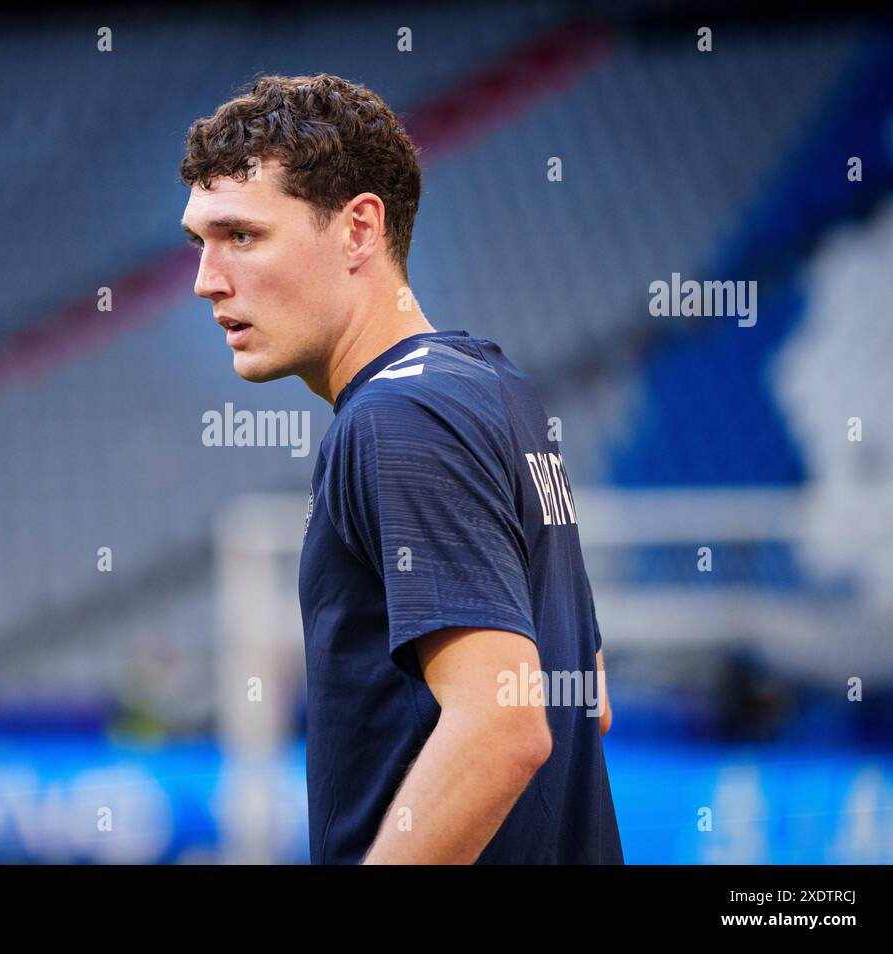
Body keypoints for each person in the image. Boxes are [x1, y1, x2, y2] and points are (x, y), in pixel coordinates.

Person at [180, 73, 623, 864]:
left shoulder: (396, 420)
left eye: (241, 236)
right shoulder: (493, 384)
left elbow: (503, 724)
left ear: (358, 229)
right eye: (199, 242)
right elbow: (586, 695)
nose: (206, 280)